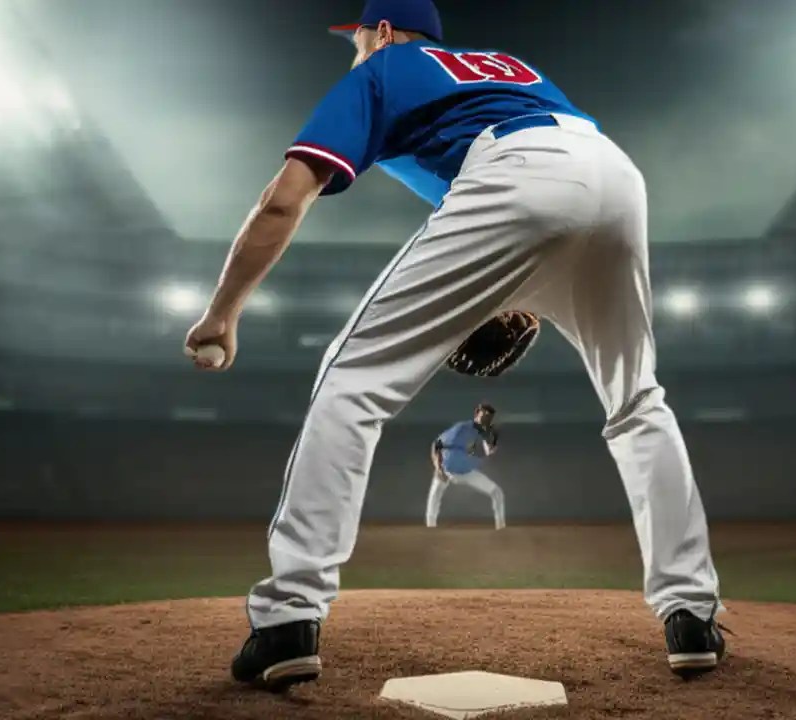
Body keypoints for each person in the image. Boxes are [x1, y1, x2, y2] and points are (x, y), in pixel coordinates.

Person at [183, 0, 723, 691]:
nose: (354, 51)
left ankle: (288, 616)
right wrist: (517, 294)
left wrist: (222, 313)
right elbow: (552, 194)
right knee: (639, 402)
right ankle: (692, 614)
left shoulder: (385, 69)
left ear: (380, 33)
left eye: (356, 40)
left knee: (351, 382)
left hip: (516, 174)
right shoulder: (511, 69)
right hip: (614, 174)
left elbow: (283, 200)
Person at [427, 403, 504, 530]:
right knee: (435, 494)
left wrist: (492, 446)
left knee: (497, 492)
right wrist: (439, 468)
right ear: (476, 414)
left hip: (467, 473)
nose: (486, 418)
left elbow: (488, 452)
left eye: (489, 417)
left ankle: (501, 529)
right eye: (483, 415)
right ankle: (429, 529)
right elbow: (437, 444)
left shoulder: (485, 436)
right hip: (447, 470)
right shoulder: (462, 428)